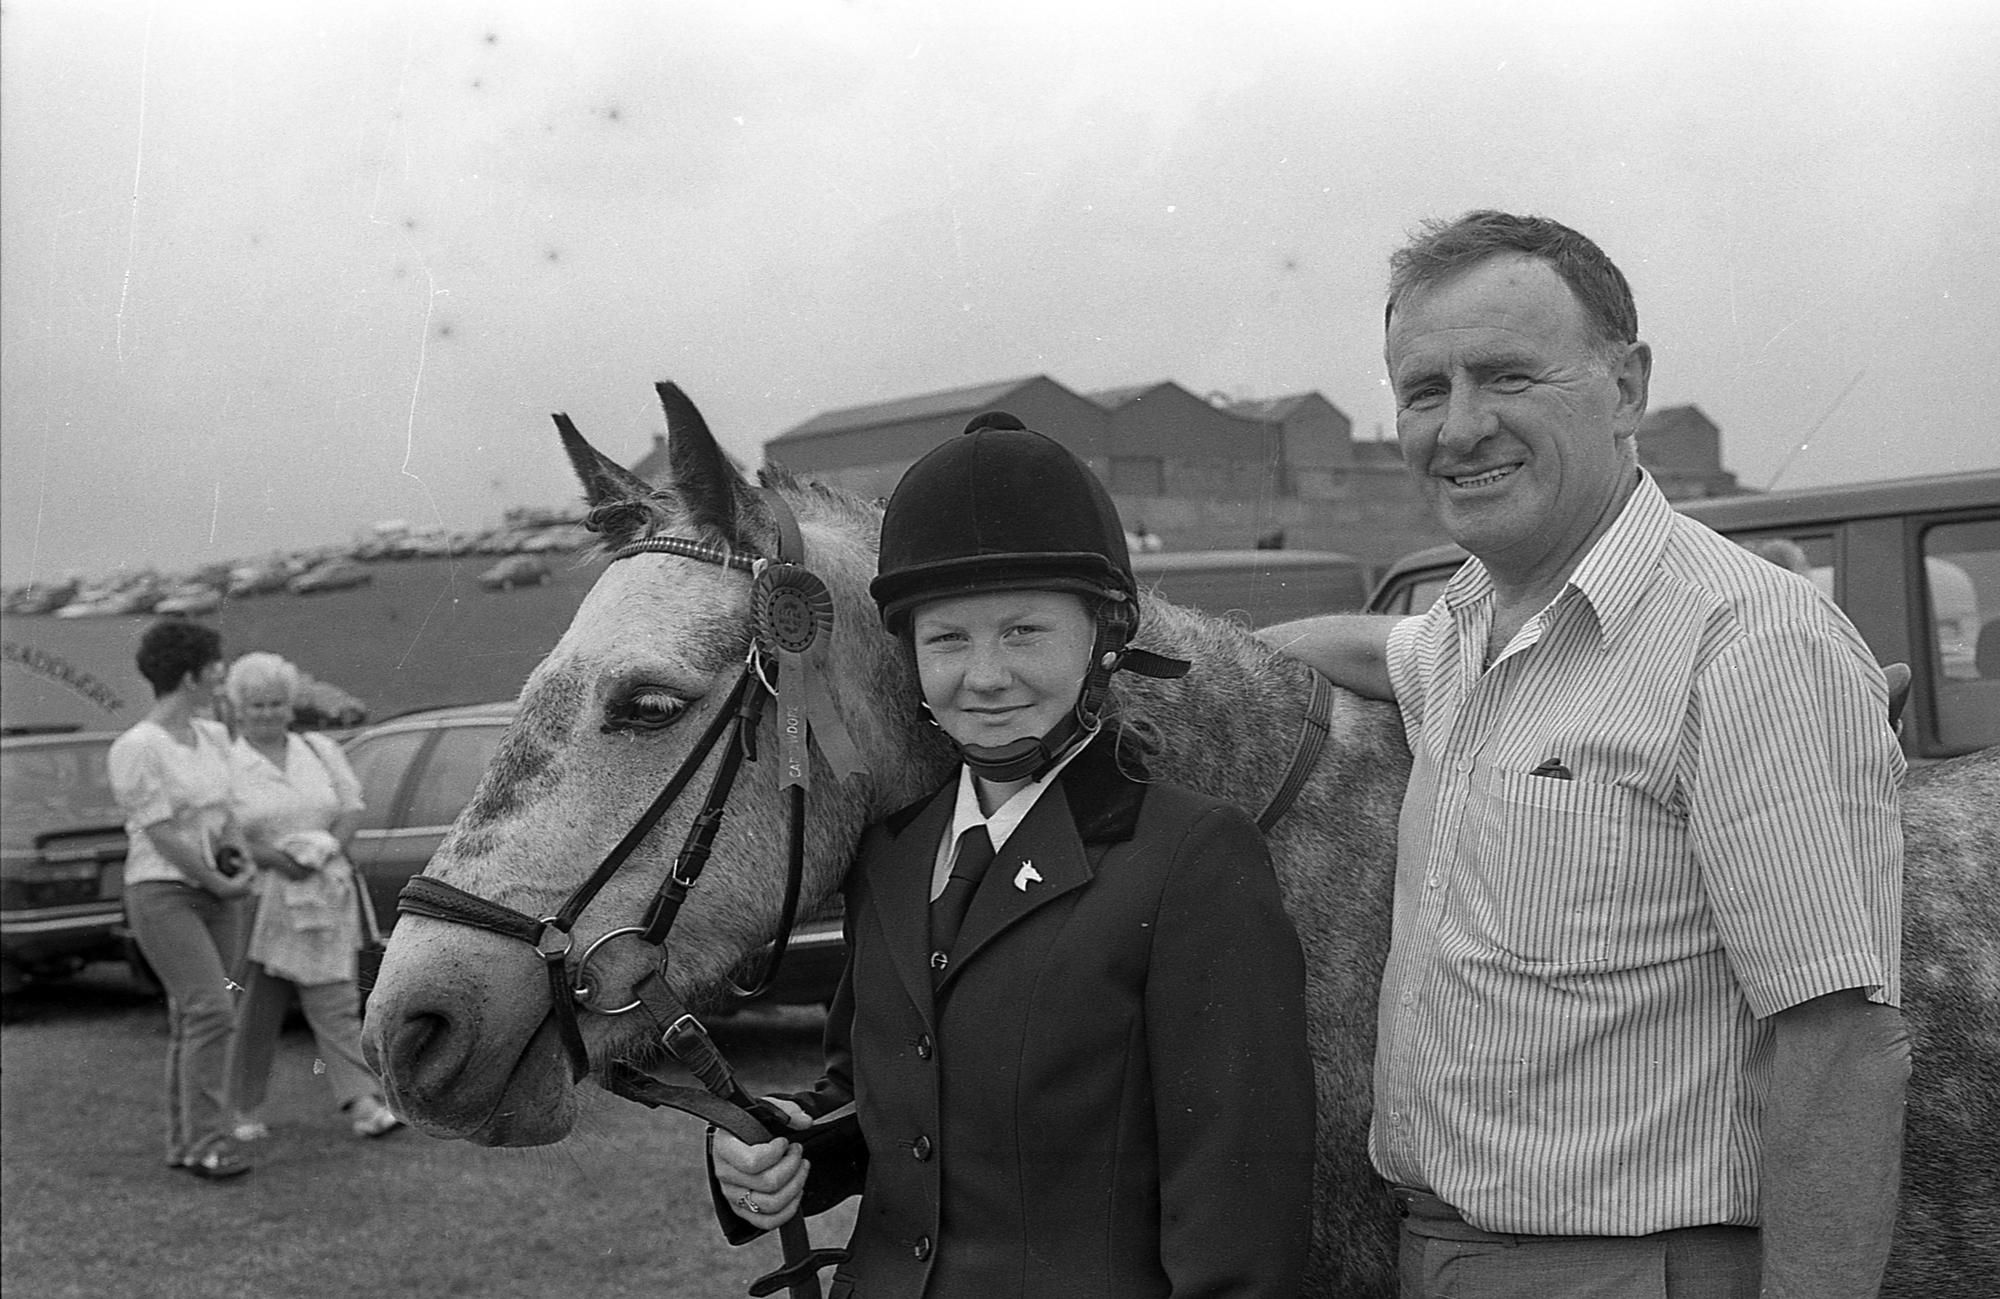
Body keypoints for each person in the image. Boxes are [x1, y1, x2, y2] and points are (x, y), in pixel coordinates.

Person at [1261, 211, 1907, 1299]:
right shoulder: (1471, 629)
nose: (1458, 428)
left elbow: (1839, 1054)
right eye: (1424, 390)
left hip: (1628, 1273)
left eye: (1507, 376)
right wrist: (1190, 658)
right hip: (1441, 1254)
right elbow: (1376, 647)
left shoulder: (1747, 647)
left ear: (1626, 385)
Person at [709, 414, 1316, 1297]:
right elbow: (877, 1087)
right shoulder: (891, 858)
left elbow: (1239, 1216)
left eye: (1024, 631)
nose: (983, 674)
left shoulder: (1191, 858)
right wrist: (778, 1144)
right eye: (947, 638)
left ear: (1103, 638)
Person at [220, 652, 402, 1142]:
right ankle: (241, 1109)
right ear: (238, 709)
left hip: (325, 895)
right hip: (262, 901)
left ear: (291, 704)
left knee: (337, 1003)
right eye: (256, 705)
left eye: (276, 703)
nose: (267, 714)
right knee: (256, 1007)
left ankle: (364, 1103)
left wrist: (326, 849)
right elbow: (224, 835)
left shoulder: (319, 749)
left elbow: (350, 809)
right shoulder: (226, 765)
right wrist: (277, 859)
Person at [108, 619, 259, 1180]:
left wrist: (237, 861)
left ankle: (187, 1142)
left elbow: (226, 814)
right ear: (190, 674)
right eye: (214, 666)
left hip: (220, 893)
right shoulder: (137, 747)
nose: (221, 676)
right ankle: (208, 1144)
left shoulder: (214, 736)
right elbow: (161, 834)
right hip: (163, 894)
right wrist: (218, 883)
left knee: (201, 1015)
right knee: (211, 1010)